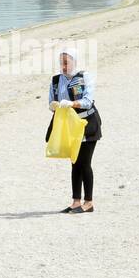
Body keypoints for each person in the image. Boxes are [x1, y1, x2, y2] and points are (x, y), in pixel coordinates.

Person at [47, 48, 102, 213]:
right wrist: (53, 106)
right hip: (69, 127)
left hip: (87, 124)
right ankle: (76, 201)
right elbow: (52, 101)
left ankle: (89, 202)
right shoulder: (56, 81)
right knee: (74, 163)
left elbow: (87, 101)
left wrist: (72, 104)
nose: (63, 67)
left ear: (74, 62)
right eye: (61, 63)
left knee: (85, 163)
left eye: (66, 63)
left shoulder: (85, 77)